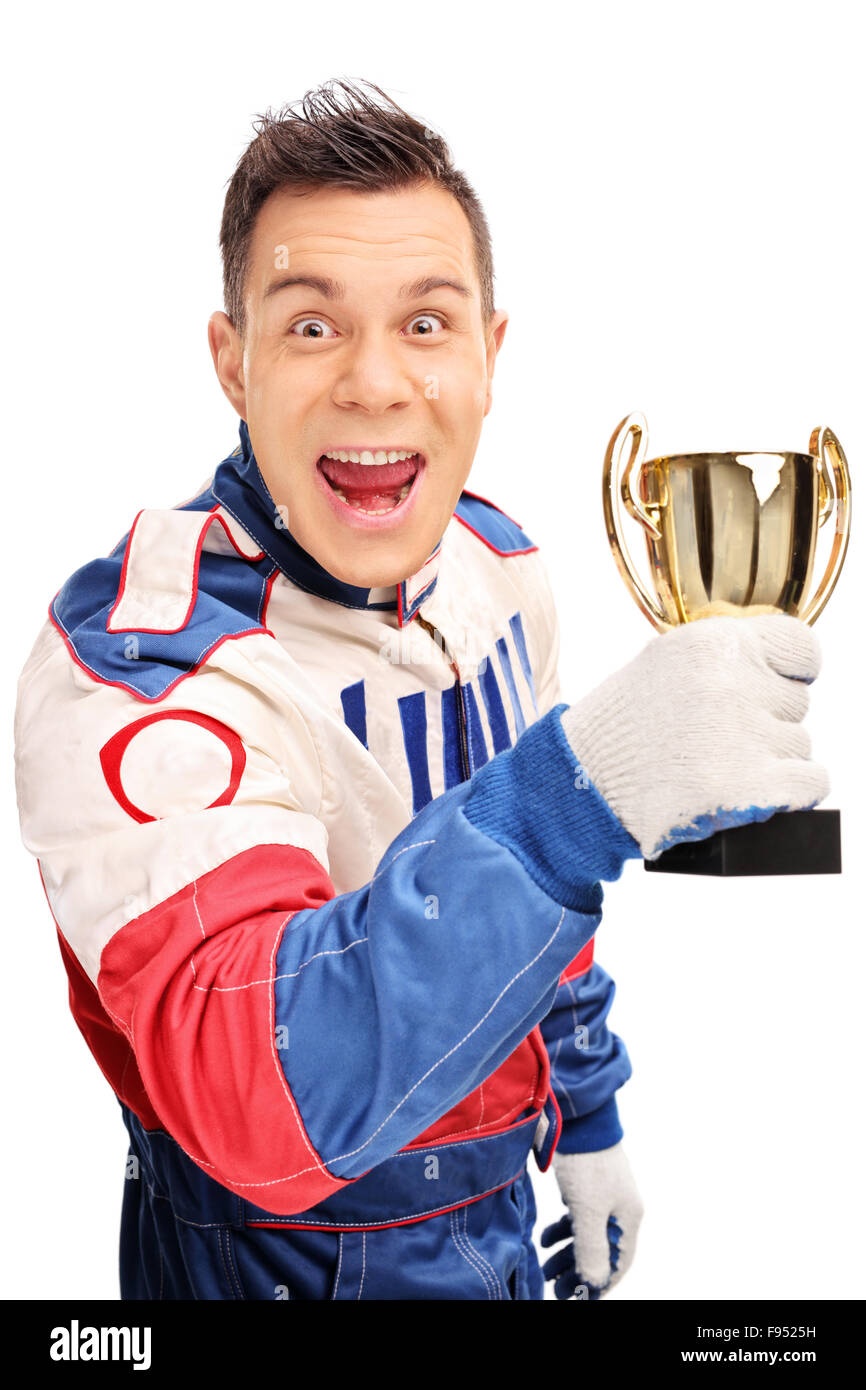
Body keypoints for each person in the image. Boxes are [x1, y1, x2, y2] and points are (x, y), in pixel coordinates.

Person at [13, 79, 827, 1301]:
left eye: (427, 324)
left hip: (497, 1217)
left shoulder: (499, 563)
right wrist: (576, 792)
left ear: (491, 358)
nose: (377, 384)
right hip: (270, 1265)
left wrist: (586, 1112)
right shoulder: (137, 665)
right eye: (310, 326)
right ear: (231, 363)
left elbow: (542, 908)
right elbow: (258, 1090)